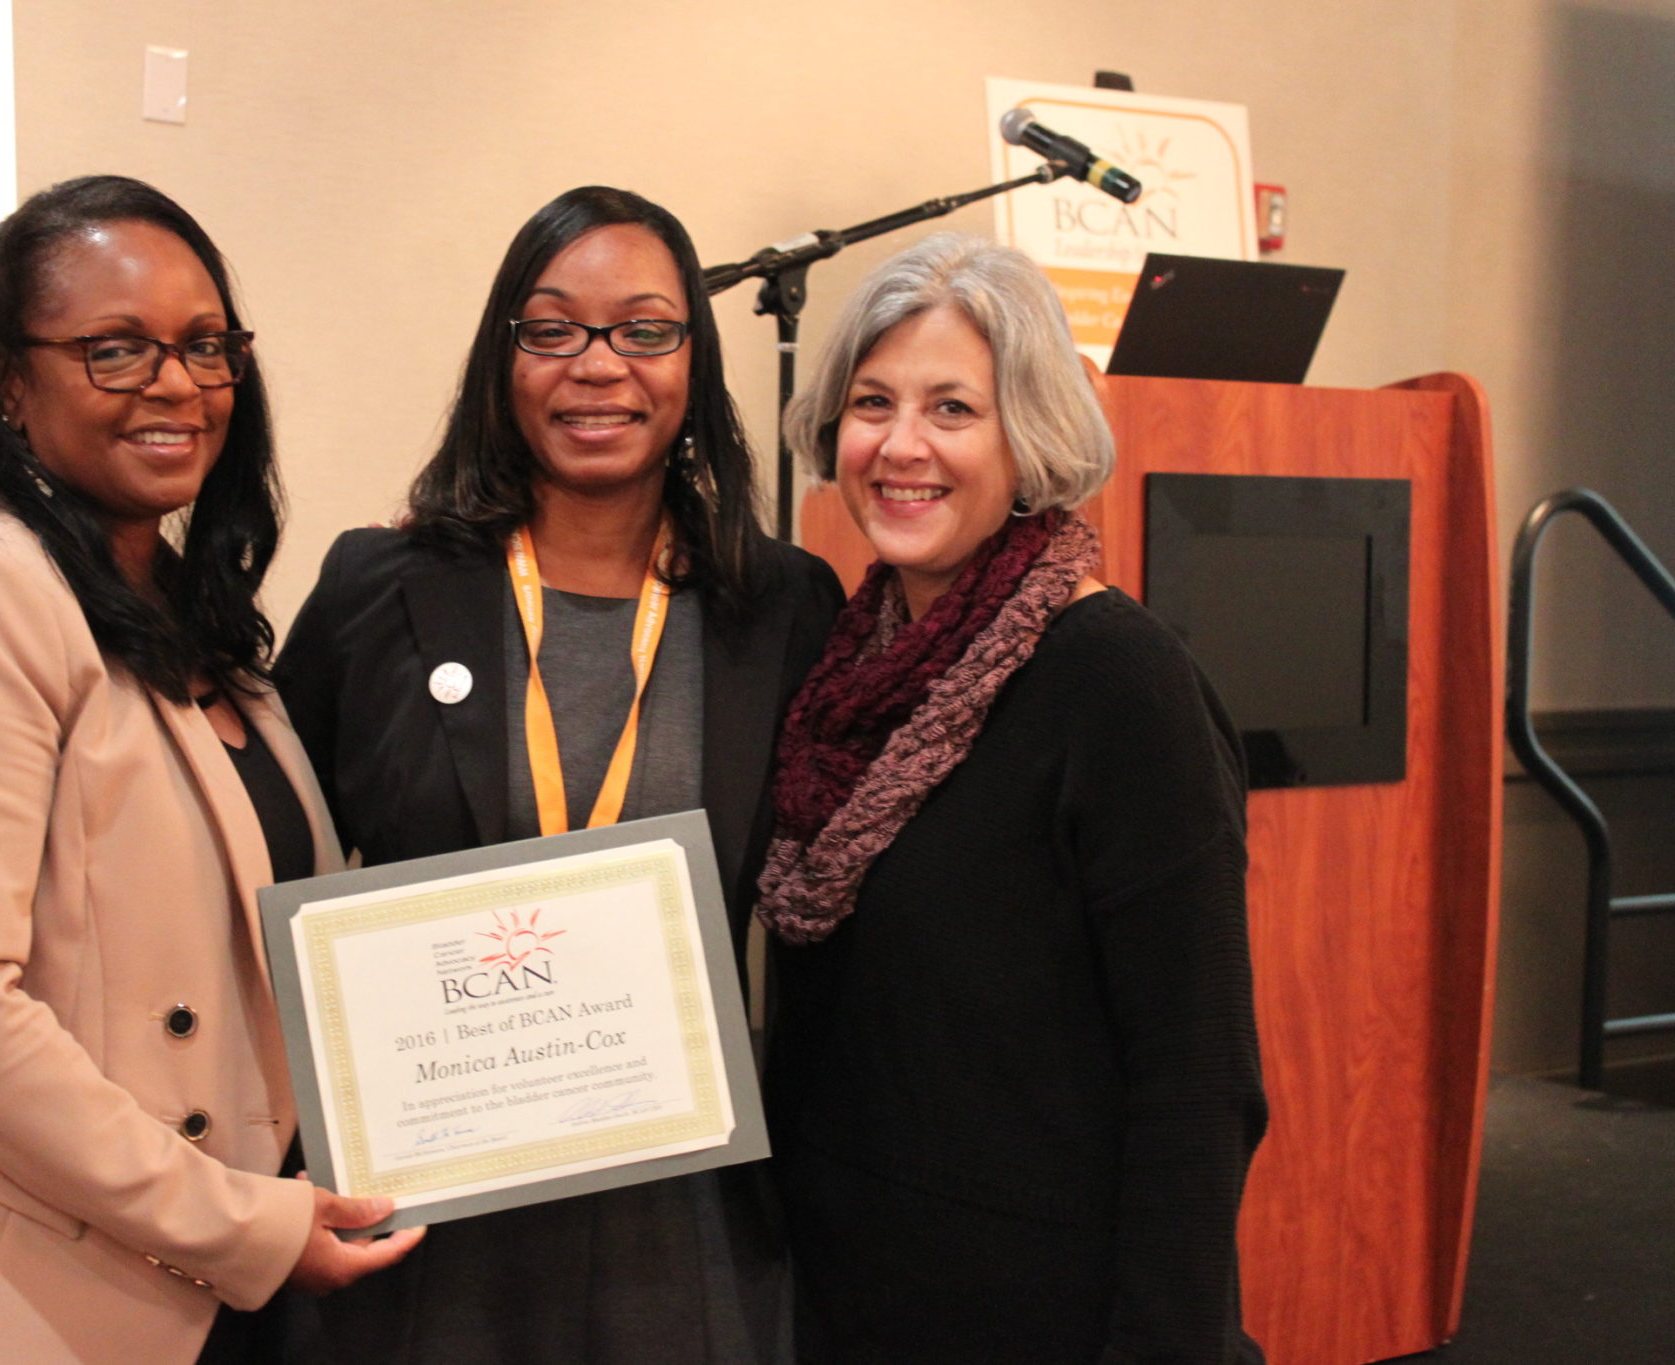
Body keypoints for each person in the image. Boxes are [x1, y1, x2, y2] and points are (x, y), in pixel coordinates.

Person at [0, 174, 420, 1365]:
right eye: (115, 349)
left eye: (204, 346)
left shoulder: (187, 614)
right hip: (1, 1292)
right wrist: (236, 1223)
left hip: (187, 1270)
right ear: (9, 381)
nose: (176, 384)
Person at [275, 185, 844, 1363]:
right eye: (551, 330)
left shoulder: (782, 606)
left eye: (644, 330)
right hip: (426, 1221)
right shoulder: (380, 589)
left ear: (693, 360)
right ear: (503, 359)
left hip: (675, 1227)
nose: (598, 365)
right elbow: (264, 848)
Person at [757, 234, 1267, 1364]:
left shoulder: (1117, 679)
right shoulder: (840, 672)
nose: (901, 446)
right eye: (873, 403)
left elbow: (1197, 1074)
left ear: (1028, 437)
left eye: (952, 409)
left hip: (1041, 1309)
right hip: (845, 1289)